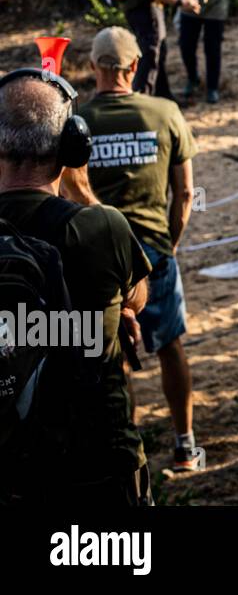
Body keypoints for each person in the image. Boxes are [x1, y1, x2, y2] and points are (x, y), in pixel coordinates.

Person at [0, 68, 153, 505]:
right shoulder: (101, 226)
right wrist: (82, 190)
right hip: (97, 465)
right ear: (73, 145)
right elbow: (138, 295)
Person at [74, 27, 204, 474]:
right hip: (153, 248)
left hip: (97, 254)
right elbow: (185, 194)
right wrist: (170, 241)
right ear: (134, 67)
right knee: (169, 345)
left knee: (111, 352)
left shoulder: (78, 121)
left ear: (94, 67)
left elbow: (69, 192)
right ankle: (186, 446)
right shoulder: (165, 111)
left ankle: (127, 451)